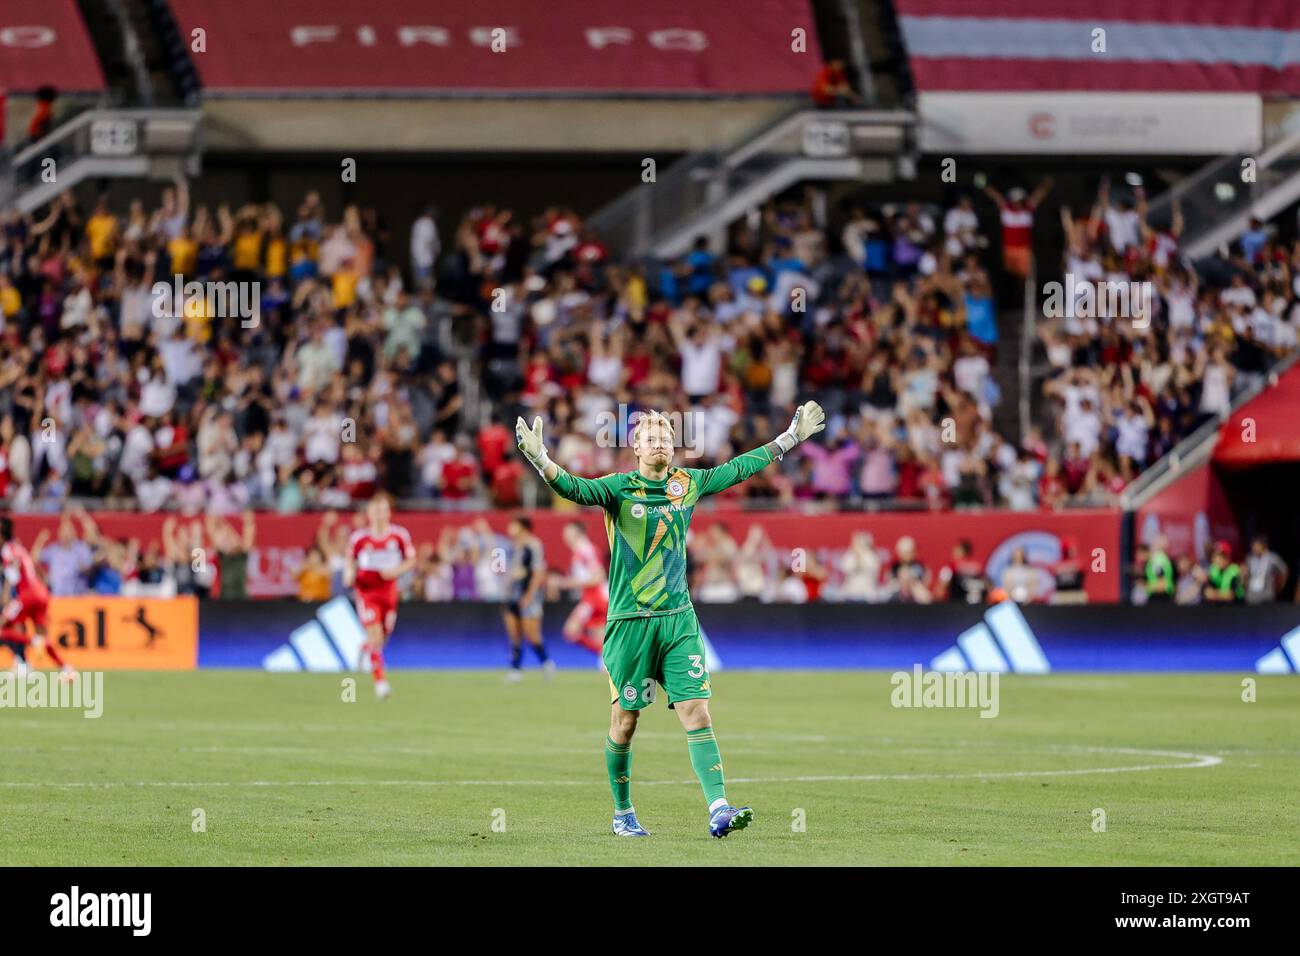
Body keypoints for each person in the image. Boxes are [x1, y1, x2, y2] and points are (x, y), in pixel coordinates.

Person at [516, 400, 826, 839]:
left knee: (697, 711)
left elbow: (738, 469)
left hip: (679, 621)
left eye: (666, 437)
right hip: (629, 624)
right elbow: (573, 488)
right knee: (625, 722)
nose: (660, 442)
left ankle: (718, 808)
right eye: (651, 438)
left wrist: (790, 437)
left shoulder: (688, 483)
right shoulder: (617, 488)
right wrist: (540, 459)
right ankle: (622, 813)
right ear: (636, 448)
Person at [343, 495, 415, 699]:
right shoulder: (359, 538)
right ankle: (381, 683)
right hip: (367, 592)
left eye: (383, 511)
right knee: (375, 635)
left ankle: (364, 648)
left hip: (389, 592)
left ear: (389, 513)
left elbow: (411, 559)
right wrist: (349, 574)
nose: (380, 516)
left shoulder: (399, 536)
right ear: (369, 514)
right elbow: (350, 561)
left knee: (382, 638)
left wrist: (396, 570)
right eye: (376, 511)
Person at [1, 517, 74, 680]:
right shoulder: (19, 548)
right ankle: (66, 668)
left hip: (28, 594)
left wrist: (6, 595)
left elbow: (11, 571)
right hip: (41, 593)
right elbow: (32, 566)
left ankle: (26, 657)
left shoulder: (7, 549)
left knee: (2, 627)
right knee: (41, 634)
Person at [502, 515, 552, 682]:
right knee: (514, 633)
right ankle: (515, 668)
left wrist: (529, 595)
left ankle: (546, 662)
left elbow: (538, 572)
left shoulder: (534, 545)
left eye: (513, 525)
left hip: (529, 594)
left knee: (532, 634)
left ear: (522, 527)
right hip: (513, 594)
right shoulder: (512, 546)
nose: (510, 528)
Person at [555, 521, 608, 659]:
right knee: (599, 636)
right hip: (594, 596)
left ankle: (608, 655)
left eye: (568, 532)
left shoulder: (586, 550)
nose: (564, 536)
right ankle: (606, 657)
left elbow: (599, 576)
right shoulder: (581, 551)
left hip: (596, 597)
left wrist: (566, 583)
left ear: (577, 533)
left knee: (571, 630)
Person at [1245, 535, 1287, 604]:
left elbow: (1284, 571)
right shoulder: (1249, 558)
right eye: (1253, 545)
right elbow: (1246, 576)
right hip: (1251, 598)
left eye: (1256, 545)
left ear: (1263, 545)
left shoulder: (1272, 558)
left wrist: (1278, 588)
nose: (1254, 548)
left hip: (1267, 598)